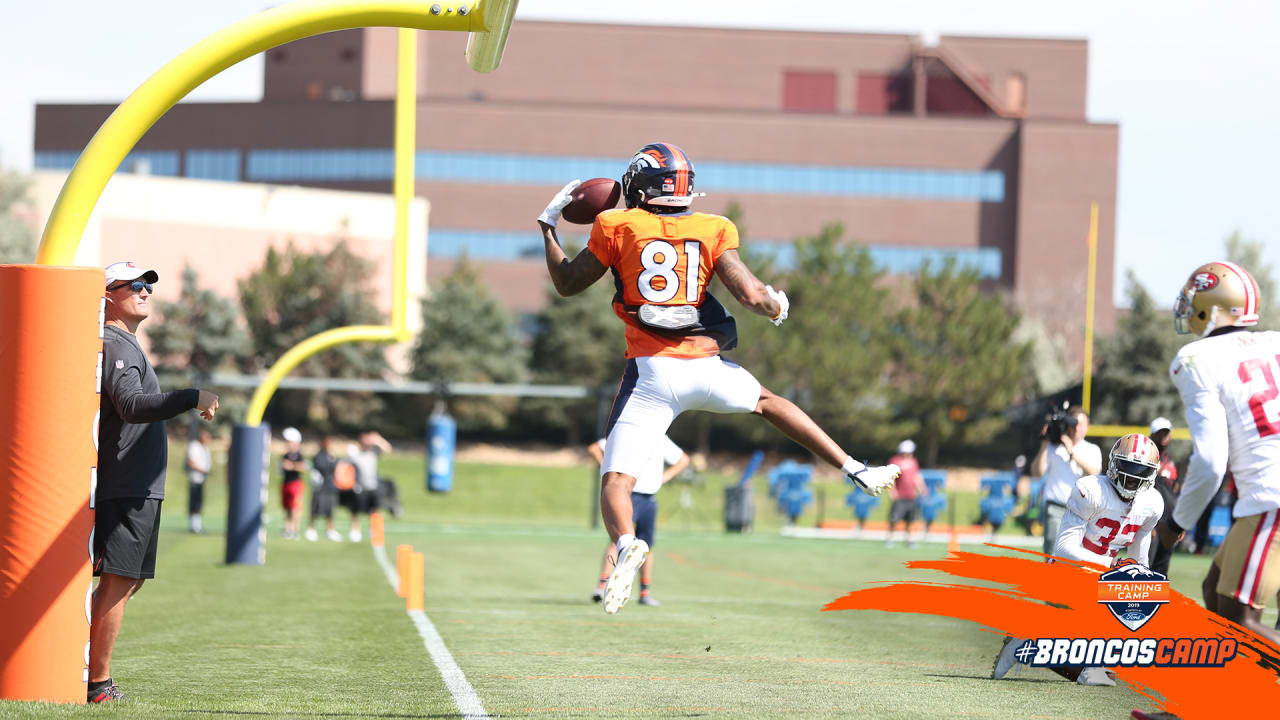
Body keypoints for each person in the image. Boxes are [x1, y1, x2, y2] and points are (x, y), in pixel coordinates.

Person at [537, 142, 900, 615]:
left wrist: (549, 227)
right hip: (706, 368)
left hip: (650, 373)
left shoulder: (614, 225)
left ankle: (626, 544)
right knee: (769, 402)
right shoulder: (714, 228)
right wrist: (775, 305)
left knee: (616, 482)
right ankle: (856, 468)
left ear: (639, 184)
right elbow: (750, 294)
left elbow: (566, 283)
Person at [91, 261, 219, 703]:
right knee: (119, 579)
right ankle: (97, 684)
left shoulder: (126, 343)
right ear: (108, 294)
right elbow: (130, 404)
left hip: (141, 486)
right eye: (136, 286)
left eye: (148, 286)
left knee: (129, 581)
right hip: (126, 484)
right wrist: (190, 396)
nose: (146, 292)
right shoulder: (114, 342)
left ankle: (87, 665)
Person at [1156, 260, 1280, 646]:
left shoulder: (1198, 358)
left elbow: (1210, 461)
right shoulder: (1274, 341)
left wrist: (1178, 522)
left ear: (1213, 305)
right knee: (1213, 590)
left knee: (1241, 619)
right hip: (1265, 497)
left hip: (1270, 498)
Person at [993, 433, 1164, 686]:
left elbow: (1140, 551)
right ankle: (1087, 665)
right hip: (1069, 568)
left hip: (1102, 573)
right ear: (1114, 464)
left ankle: (1030, 641)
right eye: (1128, 468)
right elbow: (1063, 548)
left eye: (1141, 471)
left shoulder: (1152, 503)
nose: (1132, 478)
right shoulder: (1091, 489)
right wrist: (1111, 568)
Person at [587, 434, 690, 606]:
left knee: (647, 545)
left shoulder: (660, 438)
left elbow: (684, 460)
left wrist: (663, 478)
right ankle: (602, 586)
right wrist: (607, 470)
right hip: (626, 495)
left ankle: (644, 593)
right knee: (618, 540)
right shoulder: (630, 432)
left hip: (650, 498)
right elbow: (594, 448)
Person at [1030, 405, 1102, 556]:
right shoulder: (1053, 447)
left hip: (1080, 511)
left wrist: (1072, 453)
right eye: (1074, 424)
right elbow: (1037, 473)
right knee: (1052, 557)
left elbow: (1094, 473)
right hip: (1055, 509)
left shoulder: (1092, 449)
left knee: (1077, 558)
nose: (1077, 428)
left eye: (1081, 424)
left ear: (1087, 427)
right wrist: (1044, 444)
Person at [1146, 417, 1180, 575]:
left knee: (1161, 570)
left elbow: (1174, 494)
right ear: (1152, 434)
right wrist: (1148, 523)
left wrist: (1178, 523)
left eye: (1166, 433)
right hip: (1150, 524)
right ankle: (1136, 600)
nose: (1164, 437)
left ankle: (1156, 600)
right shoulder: (1145, 459)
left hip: (1168, 524)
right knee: (1145, 567)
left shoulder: (1171, 463)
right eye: (1160, 433)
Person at [346, 431, 391, 542]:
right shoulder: (355, 454)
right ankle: (355, 531)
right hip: (360, 487)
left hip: (373, 486)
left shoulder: (373, 453)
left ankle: (374, 531)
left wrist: (378, 439)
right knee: (356, 511)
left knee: (375, 510)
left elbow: (388, 449)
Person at [886, 440, 927, 548]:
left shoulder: (914, 462)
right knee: (895, 518)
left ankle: (908, 539)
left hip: (911, 496)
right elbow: (891, 478)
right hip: (900, 496)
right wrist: (892, 491)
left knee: (910, 519)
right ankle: (890, 538)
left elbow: (916, 477)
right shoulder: (895, 461)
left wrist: (922, 488)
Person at [305, 434, 343, 542]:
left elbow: (336, 467)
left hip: (331, 486)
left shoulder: (332, 456)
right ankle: (311, 529)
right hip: (320, 486)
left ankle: (330, 530)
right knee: (316, 508)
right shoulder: (318, 456)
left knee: (330, 510)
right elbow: (321, 467)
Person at [279, 427, 306, 539]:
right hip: (286, 483)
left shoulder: (299, 454)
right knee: (287, 507)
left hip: (295, 483)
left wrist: (292, 466)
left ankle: (295, 529)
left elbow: (303, 467)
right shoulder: (285, 455)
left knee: (295, 507)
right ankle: (288, 529)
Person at [184, 428, 213, 534]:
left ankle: (197, 525)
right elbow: (191, 462)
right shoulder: (194, 446)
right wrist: (204, 470)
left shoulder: (205, 448)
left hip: (201, 479)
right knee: (194, 503)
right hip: (195, 479)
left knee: (199, 503)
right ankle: (194, 525)